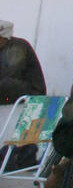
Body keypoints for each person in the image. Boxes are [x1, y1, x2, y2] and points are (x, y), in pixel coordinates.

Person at [0, 20, 47, 170]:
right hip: (13, 93)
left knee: (6, 84)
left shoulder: (17, 47)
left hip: (31, 91)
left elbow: (11, 76)